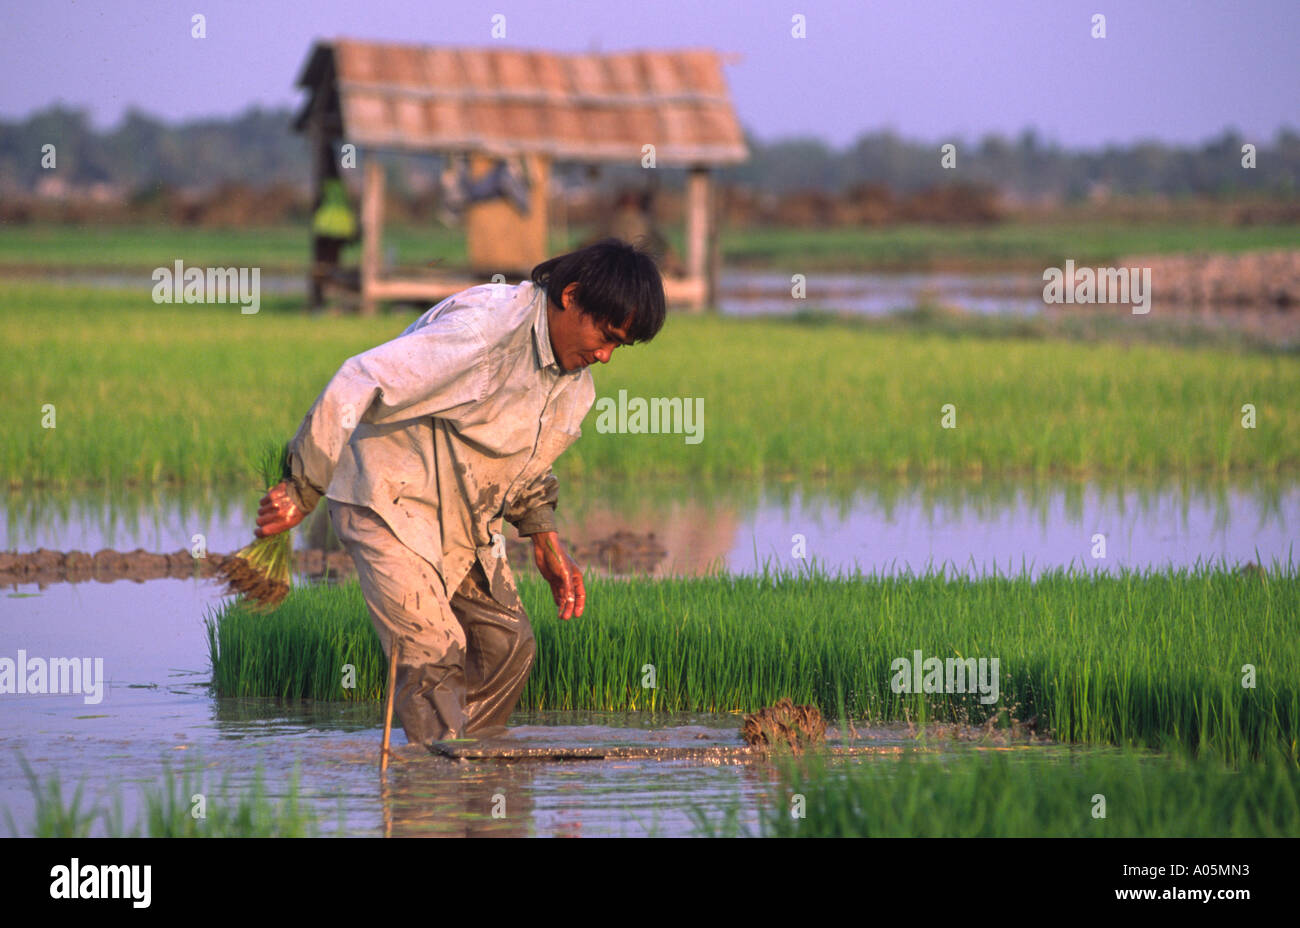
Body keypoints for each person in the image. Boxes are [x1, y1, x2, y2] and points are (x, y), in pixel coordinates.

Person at [253, 238, 666, 748]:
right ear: (571, 295)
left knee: (506, 644)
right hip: (387, 494)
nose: (604, 355)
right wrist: (302, 485)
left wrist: (544, 540)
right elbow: (359, 377)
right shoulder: (482, 332)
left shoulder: (574, 383)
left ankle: (470, 771)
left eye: (618, 346)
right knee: (432, 650)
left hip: (461, 511)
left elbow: (521, 460)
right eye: (604, 335)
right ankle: (433, 790)